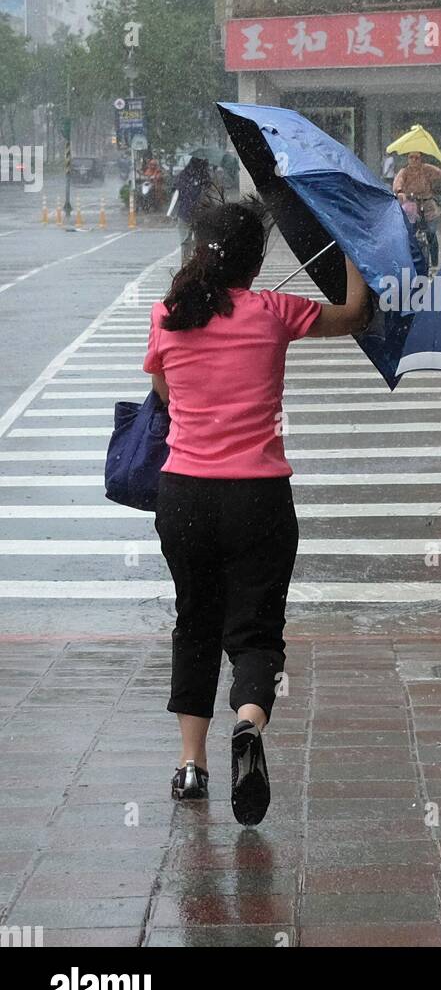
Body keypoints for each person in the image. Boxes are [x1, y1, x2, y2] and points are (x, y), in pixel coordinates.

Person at [143, 198, 371, 826]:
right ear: (254, 259)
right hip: (259, 498)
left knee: (195, 623)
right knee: (255, 630)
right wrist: (347, 245)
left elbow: (164, 394)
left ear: (197, 250)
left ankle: (192, 766)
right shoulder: (274, 311)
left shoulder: (169, 314)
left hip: (184, 494)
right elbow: (354, 314)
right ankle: (248, 723)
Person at [392, 151, 441, 270]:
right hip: (411, 204)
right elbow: (397, 182)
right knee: (409, 233)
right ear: (408, 159)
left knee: (431, 232)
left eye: (417, 158)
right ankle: (411, 261)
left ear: (421, 159)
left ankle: (435, 264)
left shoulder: (427, 169)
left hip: (427, 204)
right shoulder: (404, 172)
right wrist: (400, 192)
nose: (414, 160)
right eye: (411, 157)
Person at [173, 156, 212, 263]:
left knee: (186, 242)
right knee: (201, 242)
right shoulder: (204, 177)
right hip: (200, 214)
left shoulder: (183, 175)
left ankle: (186, 265)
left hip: (184, 213)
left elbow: (176, 192)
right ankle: (199, 264)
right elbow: (208, 195)